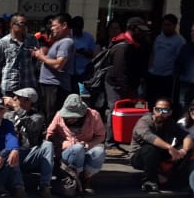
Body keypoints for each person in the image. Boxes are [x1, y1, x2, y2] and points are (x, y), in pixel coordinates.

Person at [46, 94, 106, 194]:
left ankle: (86, 178)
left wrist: (89, 144)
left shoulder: (94, 115)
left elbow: (101, 136)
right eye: (68, 116)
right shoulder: (59, 115)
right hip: (67, 153)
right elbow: (49, 136)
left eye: (74, 116)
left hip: (86, 149)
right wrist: (65, 143)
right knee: (78, 148)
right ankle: (75, 178)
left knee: (99, 151)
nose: (71, 119)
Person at [129, 98, 192, 192]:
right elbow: (149, 137)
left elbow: (187, 136)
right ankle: (149, 181)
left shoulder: (170, 123)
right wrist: (169, 147)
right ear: (154, 109)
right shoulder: (144, 121)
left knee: (187, 150)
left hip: (160, 155)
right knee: (151, 148)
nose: (161, 113)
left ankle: (172, 178)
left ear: (170, 112)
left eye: (165, 110)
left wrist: (184, 150)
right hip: (140, 157)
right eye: (158, 109)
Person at [104, 17, 149, 149]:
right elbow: (120, 72)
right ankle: (111, 142)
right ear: (133, 29)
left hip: (131, 84)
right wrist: (126, 90)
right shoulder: (123, 46)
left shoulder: (135, 44)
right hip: (116, 85)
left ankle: (128, 137)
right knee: (115, 110)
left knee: (135, 110)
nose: (143, 34)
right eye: (140, 31)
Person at [5, 87, 54, 198]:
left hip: (30, 153)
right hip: (12, 155)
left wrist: (17, 108)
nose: (14, 99)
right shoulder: (7, 116)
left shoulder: (38, 117)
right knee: (11, 146)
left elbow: (31, 126)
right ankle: (19, 188)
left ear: (28, 101)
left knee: (48, 145)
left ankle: (45, 187)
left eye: (18, 97)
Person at [34, 13, 76, 122]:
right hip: (49, 85)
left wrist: (41, 57)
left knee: (52, 118)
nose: (51, 29)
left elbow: (58, 64)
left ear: (64, 25)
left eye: (54, 25)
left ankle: (51, 138)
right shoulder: (58, 42)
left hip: (55, 87)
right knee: (47, 116)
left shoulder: (66, 42)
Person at [0, 13, 39, 99]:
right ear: (12, 25)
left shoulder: (32, 40)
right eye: (22, 23)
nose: (25, 26)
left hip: (28, 84)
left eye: (26, 23)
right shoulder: (3, 43)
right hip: (10, 86)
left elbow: (36, 61)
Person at [146, 14, 185, 105]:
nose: (165, 27)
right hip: (154, 74)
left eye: (168, 25)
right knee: (151, 100)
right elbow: (153, 53)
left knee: (165, 101)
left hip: (167, 77)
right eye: (164, 25)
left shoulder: (180, 41)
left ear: (175, 25)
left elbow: (179, 59)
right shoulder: (159, 38)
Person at [70, 16, 96, 90]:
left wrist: (83, 52)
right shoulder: (68, 37)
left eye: (79, 27)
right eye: (75, 27)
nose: (77, 30)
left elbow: (93, 54)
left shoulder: (89, 37)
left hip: (84, 72)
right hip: (71, 72)